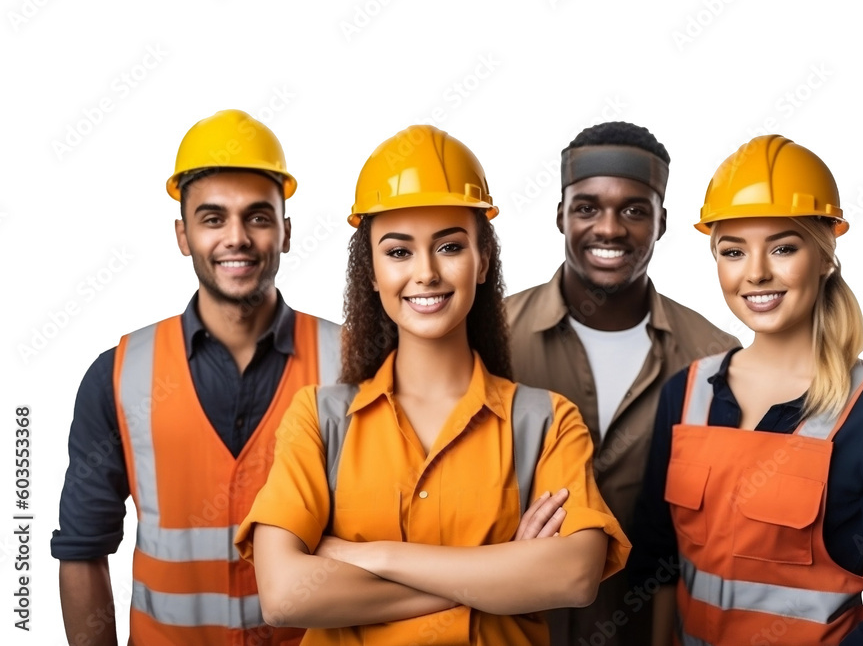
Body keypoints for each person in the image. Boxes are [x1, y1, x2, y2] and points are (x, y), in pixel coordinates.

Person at [234, 125, 631, 646]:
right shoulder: (319, 418)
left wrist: (373, 555)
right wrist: (497, 575)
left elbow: (574, 577)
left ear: (482, 260)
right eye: (398, 252)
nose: (425, 273)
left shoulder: (548, 422)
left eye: (449, 246)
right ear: (372, 272)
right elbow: (286, 596)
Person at [630, 134, 863, 645]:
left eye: (782, 247)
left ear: (824, 256)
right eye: (733, 251)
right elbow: (656, 561)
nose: (756, 272)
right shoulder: (685, 393)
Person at [51, 109, 341, 646]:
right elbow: (82, 551)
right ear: (183, 235)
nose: (237, 238)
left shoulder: (352, 364)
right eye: (213, 219)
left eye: (258, 217)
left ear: (286, 230)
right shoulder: (117, 375)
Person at [505, 121, 738, 645]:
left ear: (660, 223)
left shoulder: (717, 357)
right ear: (560, 215)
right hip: (515, 630)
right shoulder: (488, 339)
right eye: (587, 207)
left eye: (634, 210)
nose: (609, 228)